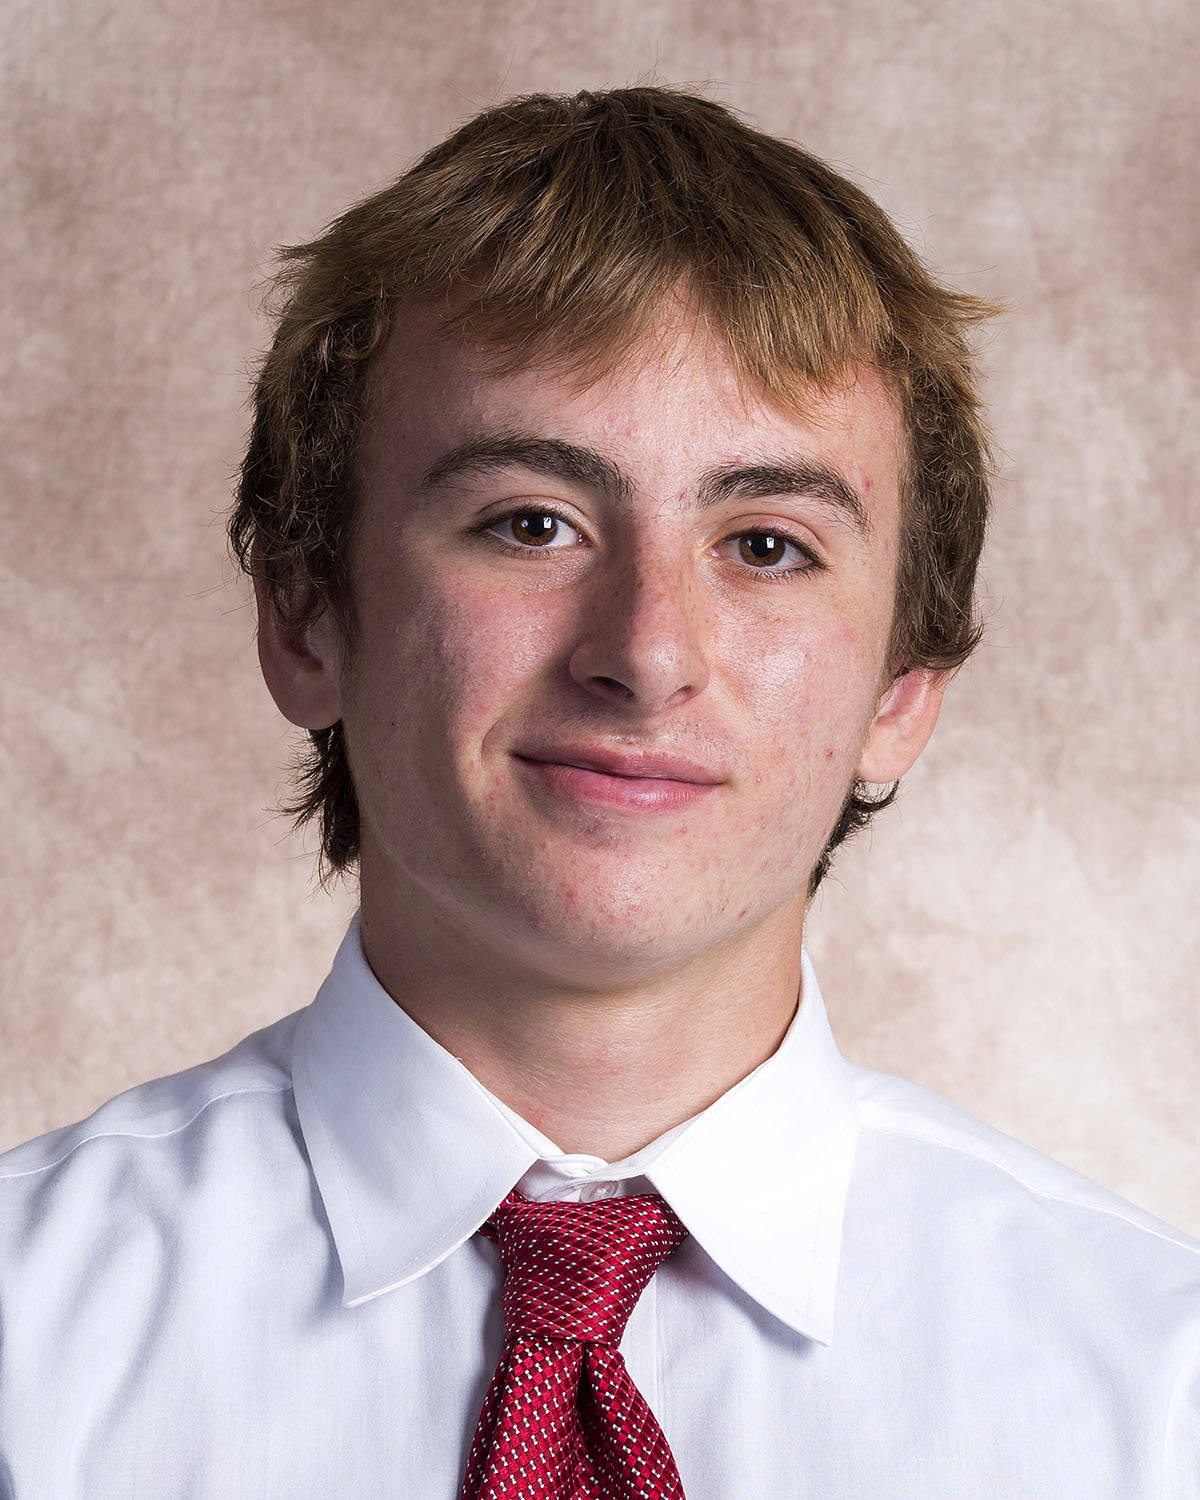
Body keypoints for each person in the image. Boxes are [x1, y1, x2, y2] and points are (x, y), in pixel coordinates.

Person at [0, 85, 1195, 1500]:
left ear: (901, 692)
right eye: (531, 522)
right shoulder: (27, 1348)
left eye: (766, 544)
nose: (645, 652)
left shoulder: (1153, 1393)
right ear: (307, 613)